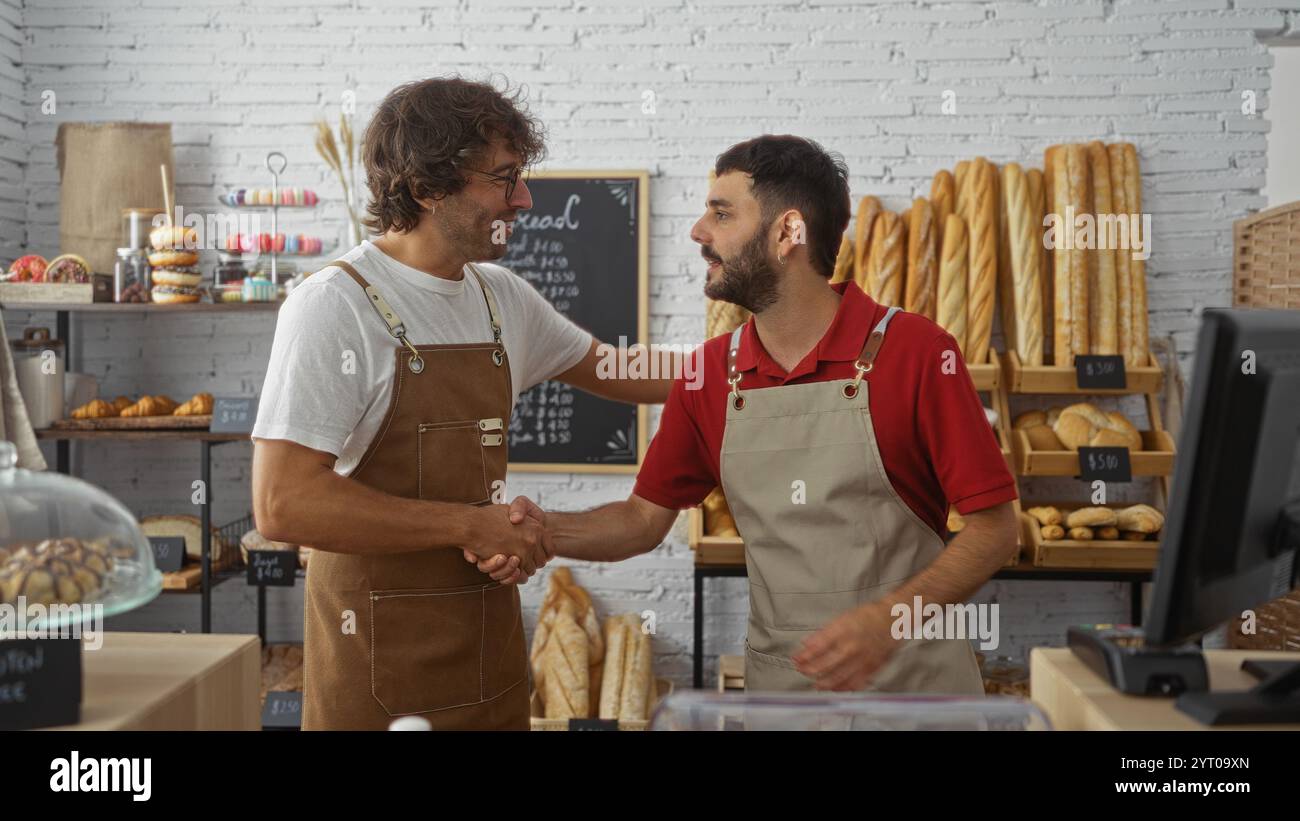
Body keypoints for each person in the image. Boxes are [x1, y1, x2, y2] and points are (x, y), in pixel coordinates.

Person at [476, 135, 1019, 693]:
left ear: (787, 233)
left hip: (918, 696)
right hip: (783, 697)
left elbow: (996, 531)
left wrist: (890, 621)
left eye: (721, 213)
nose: (698, 232)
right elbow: (641, 522)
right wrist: (542, 531)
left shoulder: (918, 351)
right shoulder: (709, 372)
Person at [251, 77, 671, 730]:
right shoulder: (335, 306)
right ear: (426, 187)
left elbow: (621, 368)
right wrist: (467, 524)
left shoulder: (501, 296)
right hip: (373, 683)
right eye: (505, 179)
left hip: (489, 672)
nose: (525, 199)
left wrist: (752, 358)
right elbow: (283, 501)